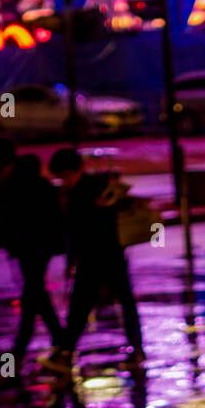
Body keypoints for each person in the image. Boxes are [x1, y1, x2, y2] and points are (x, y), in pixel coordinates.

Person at [44, 146, 144, 372]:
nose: (64, 181)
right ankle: (135, 349)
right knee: (112, 303)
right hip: (106, 256)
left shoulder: (88, 192)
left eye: (66, 176)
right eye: (61, 178)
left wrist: (72, 259)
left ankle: (67, 353)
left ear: (76, 171)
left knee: (83, 306)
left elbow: (78, 230)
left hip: (99, 257)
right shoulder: (94, 189)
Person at [0, 136, 66, 371]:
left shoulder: (16, 184)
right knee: (35, 295)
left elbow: (16, 219)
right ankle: (56, 341)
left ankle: (21, 352)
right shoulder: (13, 181)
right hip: (32, 248)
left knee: (33, 295)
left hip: (33, 247)